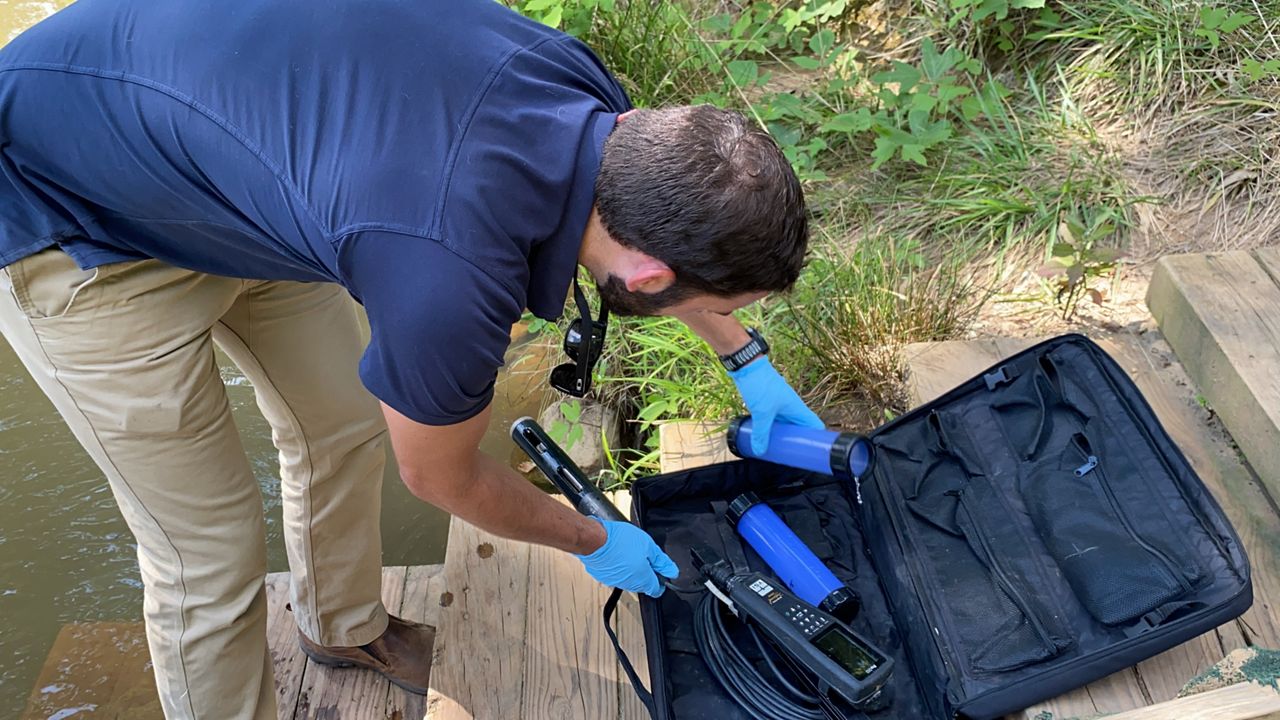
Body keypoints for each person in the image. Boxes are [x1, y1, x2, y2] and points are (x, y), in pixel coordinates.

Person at [0, 0, 823, 717]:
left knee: (343, 425)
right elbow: (441, 479)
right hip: (64, 211)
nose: (722, 322)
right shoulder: (449, 275)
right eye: (723, 309)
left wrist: (745, 360)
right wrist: (590, 538)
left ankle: (345, 628)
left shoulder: (605, 123)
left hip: (228, 171)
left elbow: (671, 248)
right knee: (205, 552)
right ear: (648, 278)